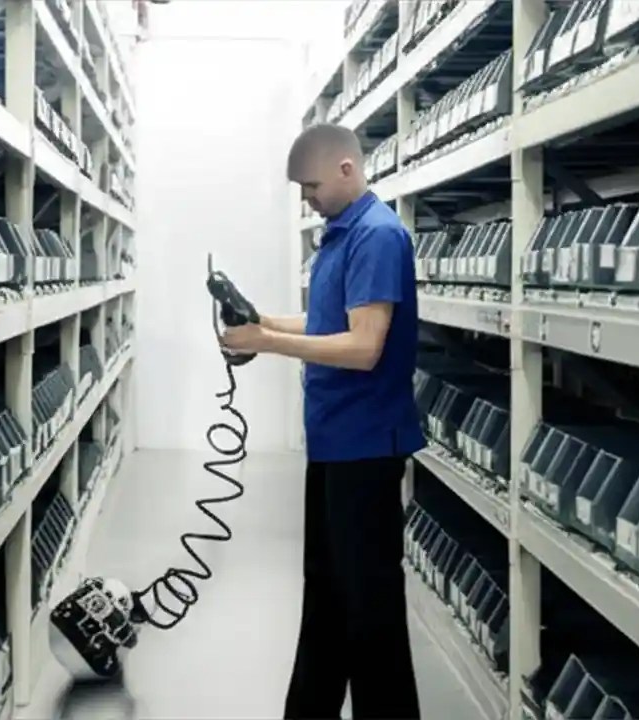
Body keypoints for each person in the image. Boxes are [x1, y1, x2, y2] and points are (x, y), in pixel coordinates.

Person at [219, 123, 424, 720]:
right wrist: (264, 325)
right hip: (335, 444)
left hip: (366, 447)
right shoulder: (340, 237)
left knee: (369, 610)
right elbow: (325, 323)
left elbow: (364, 348)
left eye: (310, 186)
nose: (305, 198)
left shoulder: (379, 236)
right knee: (331, 597)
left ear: (345, 169)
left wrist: (267, 342)